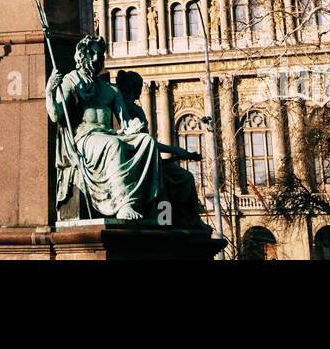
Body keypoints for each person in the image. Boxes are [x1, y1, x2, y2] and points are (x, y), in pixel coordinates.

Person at [46, 35, 162, 219]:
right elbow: (56, 115)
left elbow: (125, 122)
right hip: (85, 138)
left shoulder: (111, 90)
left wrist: (134, 126)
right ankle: (123, 204)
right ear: (81, 55)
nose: (95, 59)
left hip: (108, 134)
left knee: (147, 141)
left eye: (99, 56)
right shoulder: (71, 81)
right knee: (113, 145)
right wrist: (49, 91)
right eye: (91, 54)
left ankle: (148, 204)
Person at [115, 69, 210, 229]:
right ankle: (163, 221)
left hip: (149, 157)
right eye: (138, 87)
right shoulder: (118, 108)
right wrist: (177, 152)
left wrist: (179, 152)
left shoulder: (137, 110)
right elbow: (141, 141)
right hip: (131, 161)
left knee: (186, 177)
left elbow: (149, 143)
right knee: (161, 181)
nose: (140, 92)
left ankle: (190, 220)